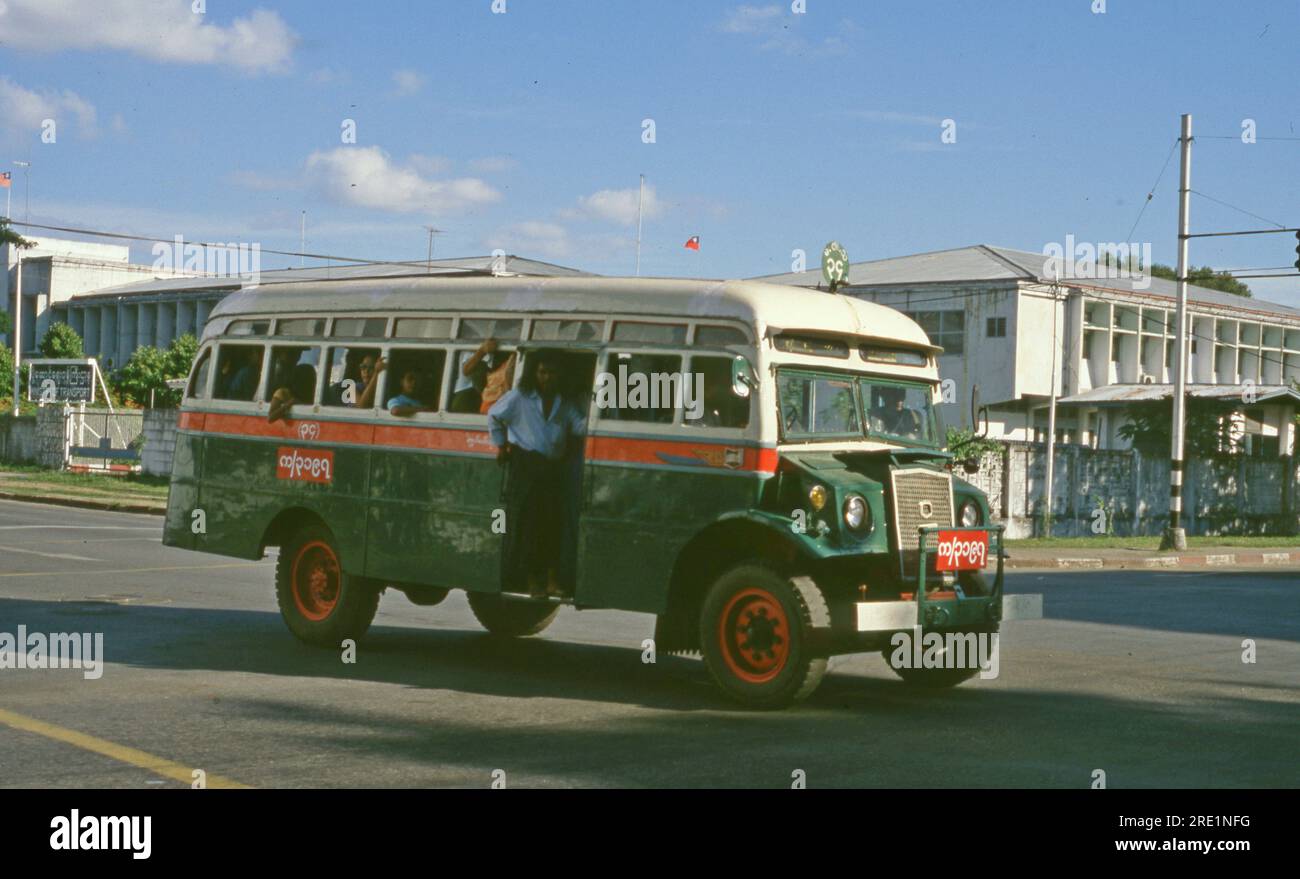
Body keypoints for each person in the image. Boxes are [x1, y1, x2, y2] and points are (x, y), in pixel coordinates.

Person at [488, 352, 586, 598]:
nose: (547, 377)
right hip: (526, 465)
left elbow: (579, 425)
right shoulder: (520, 398)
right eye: (542, 372)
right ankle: (532, 582)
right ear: (535, 373)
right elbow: (494, 416)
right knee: (528, 525)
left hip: (553, 469)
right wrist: (501, 445)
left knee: (552, 524)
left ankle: (551, 580)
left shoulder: (564, 403)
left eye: (552, 373)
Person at [450, 338, 500, 413]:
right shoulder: (472, 343)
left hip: (482, 396)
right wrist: (482, 351)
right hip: (465, 397)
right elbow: (466, 370)